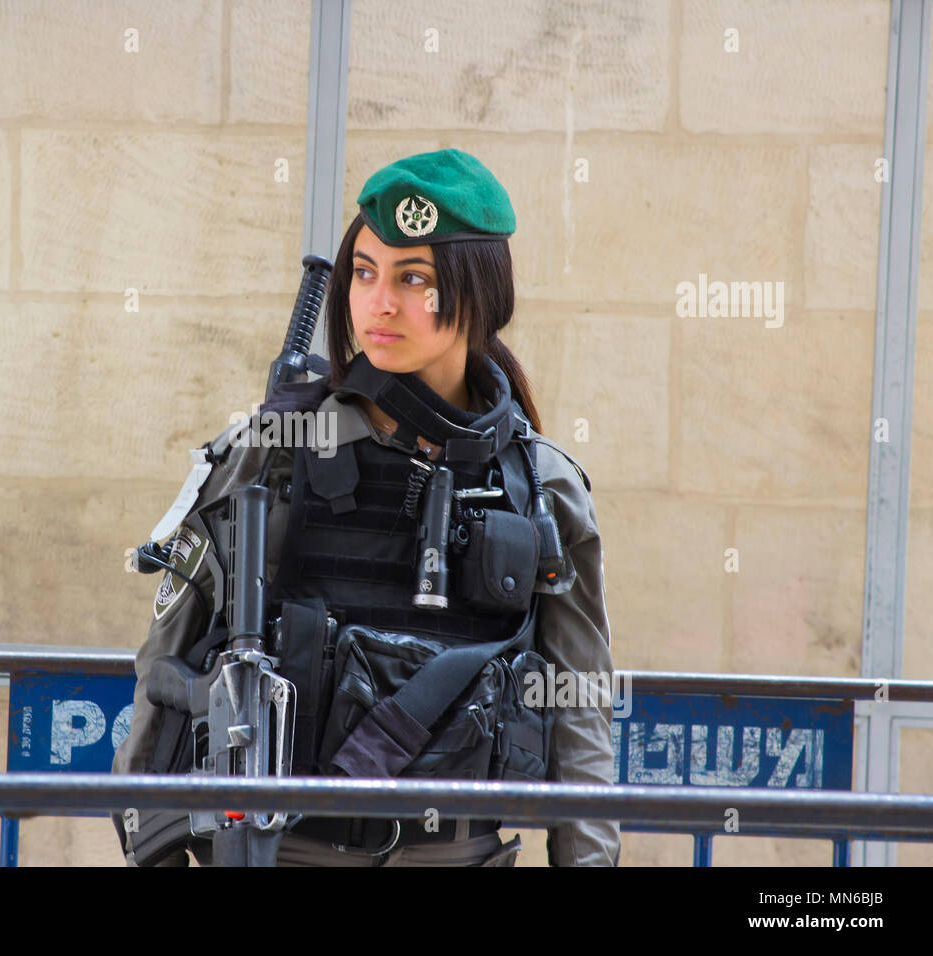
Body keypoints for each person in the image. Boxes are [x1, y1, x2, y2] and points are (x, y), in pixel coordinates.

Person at [112, 147, 620, 867]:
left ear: (479, 298)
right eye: (364, 273)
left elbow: (578, 708)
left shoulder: (542, 486)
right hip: (285, 852)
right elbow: (163, 669)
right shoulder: (271, 451)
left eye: (415, 279)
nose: (379, 303)